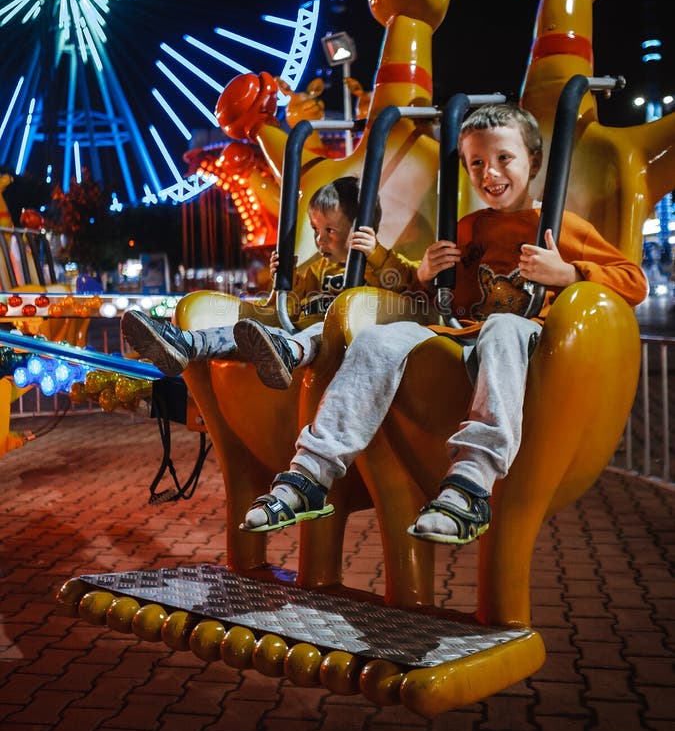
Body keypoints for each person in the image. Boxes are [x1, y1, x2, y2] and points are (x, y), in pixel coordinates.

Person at [240, 103, 648, 543]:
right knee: (377, 340)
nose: (490, 172)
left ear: (534, 161)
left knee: (504, 326)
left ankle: (472, 481)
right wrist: (425, 275)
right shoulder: (467, 228)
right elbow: (435, 303)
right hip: (463, 336)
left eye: (503, 158)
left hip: (527, 339)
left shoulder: (561, 227)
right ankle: (309, 474)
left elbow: (633, 280)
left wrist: (567, 274)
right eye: (477, 163)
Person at [121, 176, 421, 388]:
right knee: (250, 331)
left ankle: (286, 352)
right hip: (297, 337)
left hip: (339, 345)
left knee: (321, 329)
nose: (320, 240)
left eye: (330, 230)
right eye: (316, 230)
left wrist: (375, 253)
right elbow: (287, 311)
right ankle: (186, 344)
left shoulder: (380, 264)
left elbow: (407, 284)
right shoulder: (315, 272)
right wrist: (283, 282)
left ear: (360, 230)